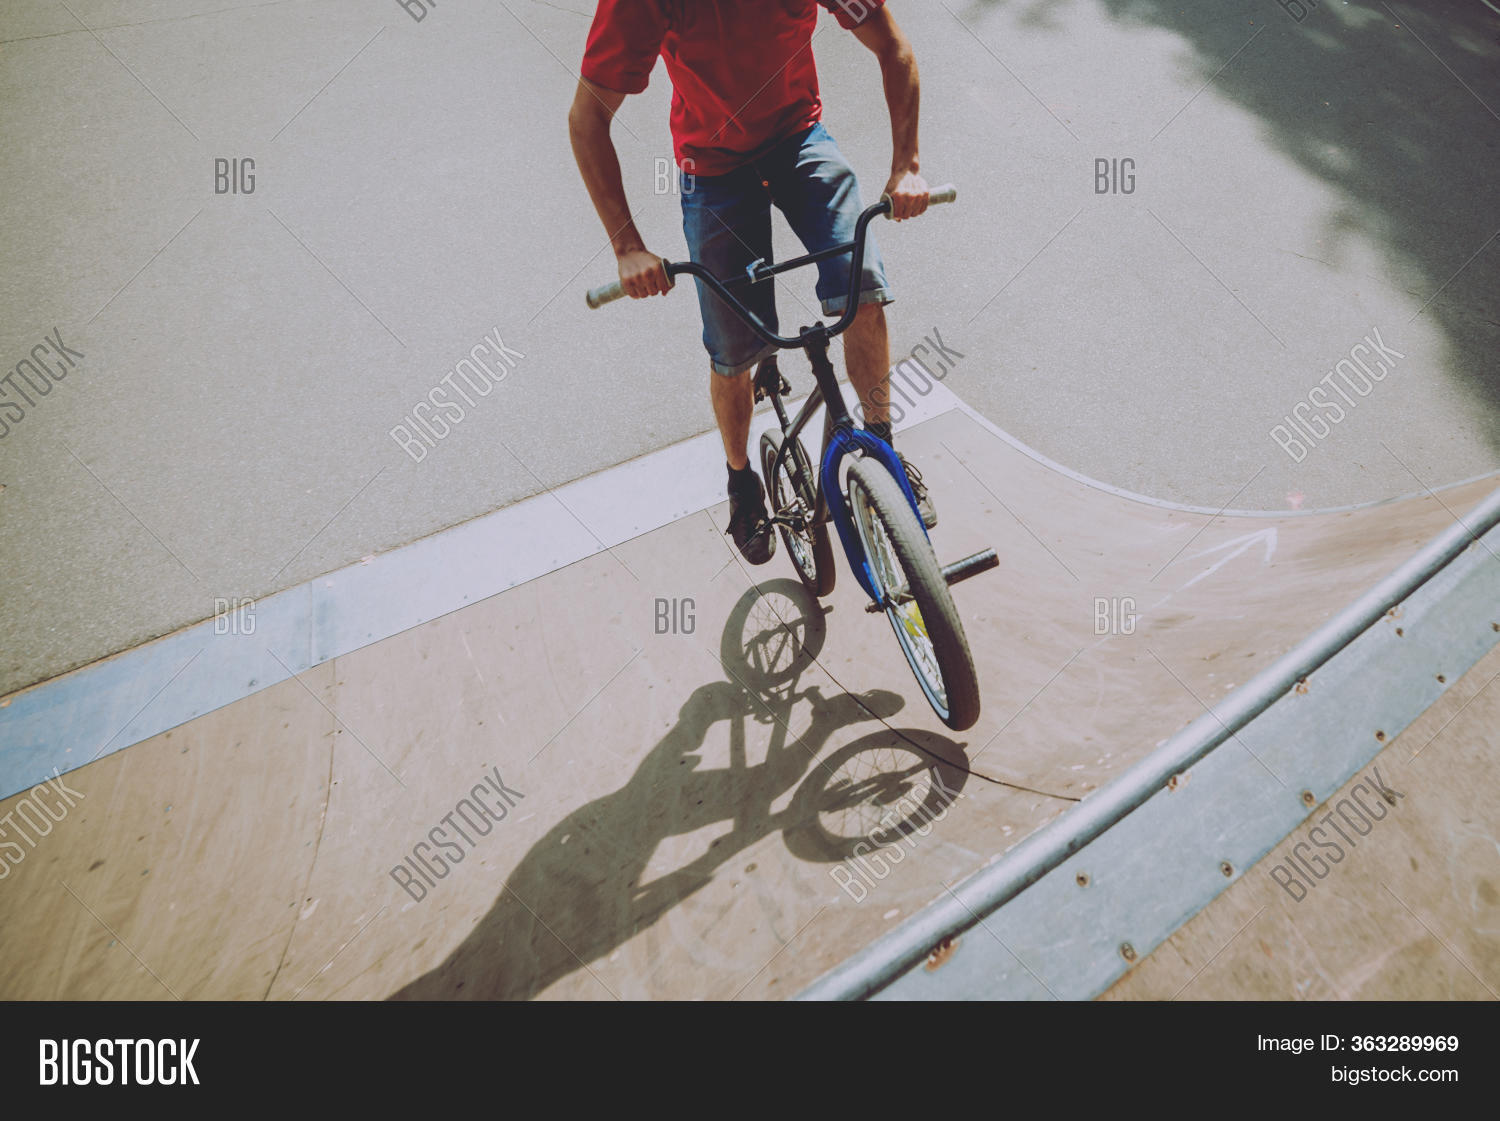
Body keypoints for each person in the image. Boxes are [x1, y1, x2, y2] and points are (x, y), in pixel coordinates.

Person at [569, 0, 937, 564]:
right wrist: (627, 247)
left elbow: (894, 47)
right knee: (734, 353)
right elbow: (587, 115)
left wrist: (907, 163)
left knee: (861, 287)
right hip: (711, 168)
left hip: (799, 138)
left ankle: (881, 448)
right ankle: (741, 480)